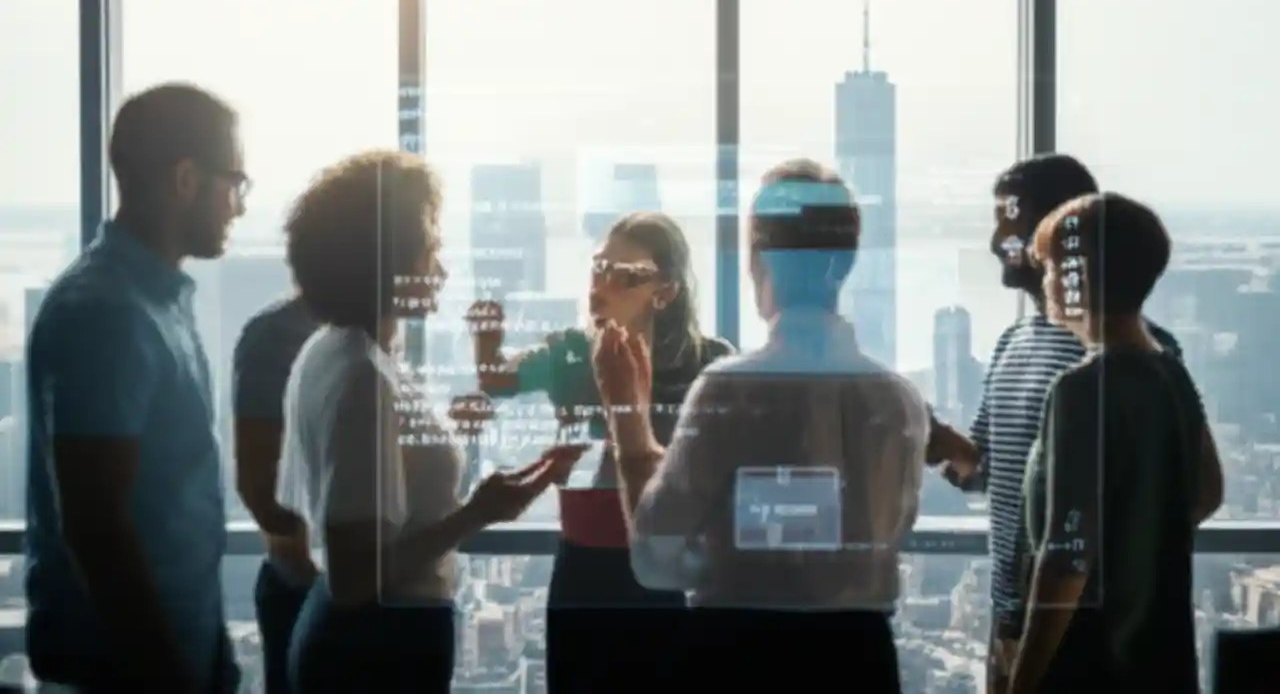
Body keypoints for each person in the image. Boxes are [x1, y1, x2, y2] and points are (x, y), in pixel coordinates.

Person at [594, 159, 927, 691]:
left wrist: (628, 420)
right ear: (846, 262)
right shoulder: (898, 402)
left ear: (756, 261)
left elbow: (658, 560)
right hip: (858, 661)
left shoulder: (731, 390)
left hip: (738, 656)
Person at [274, 150, 582, 694]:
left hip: (369, 640)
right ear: (388, 261)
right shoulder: (362, 376)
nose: (440, 269)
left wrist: (454, 440)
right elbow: (354, 579)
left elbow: (384, 505)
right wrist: (478, 514)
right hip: (375, 650)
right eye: (429, 250)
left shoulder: (339, 351)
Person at [924, 153, 1184, 693]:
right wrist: (942, 445)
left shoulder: (1127, 353)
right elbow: (990, 473)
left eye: (1009, 218)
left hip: (1083, 631)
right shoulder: (1012, 344)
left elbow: (1177, 492)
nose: (997, 239)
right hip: (1010, 622)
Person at [23, 83, 245, 692]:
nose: (239, 205)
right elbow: (98, 527)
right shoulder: (107, 313)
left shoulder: (156, 301)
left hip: (166, 655)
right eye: (235, 182)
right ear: (185, 179)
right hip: (125, 673)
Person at [468, 210, 735, 693]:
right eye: (598, 267)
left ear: (665, 292)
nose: (603, 285)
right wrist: (485, 331)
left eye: (626, 277)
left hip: (672, 567)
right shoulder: (568, 352)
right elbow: (495, 379)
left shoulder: (709, 362)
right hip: (585, 565)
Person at [1007, 192, 1223, 693]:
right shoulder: (1171, 371)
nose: (1046, 281)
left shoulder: (1082, 389)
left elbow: (1065, 559)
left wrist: (1022, 681)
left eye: (1053, 267)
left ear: (1079, 276)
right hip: (1160, 662)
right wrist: (1136, 540)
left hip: (1090, 665)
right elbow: (1208, 492)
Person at [232, 294, 319, 694]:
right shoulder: (278, 336)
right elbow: (262, 492)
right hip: (310, 597)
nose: (436, 273)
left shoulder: (388, 333)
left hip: (382, 599)